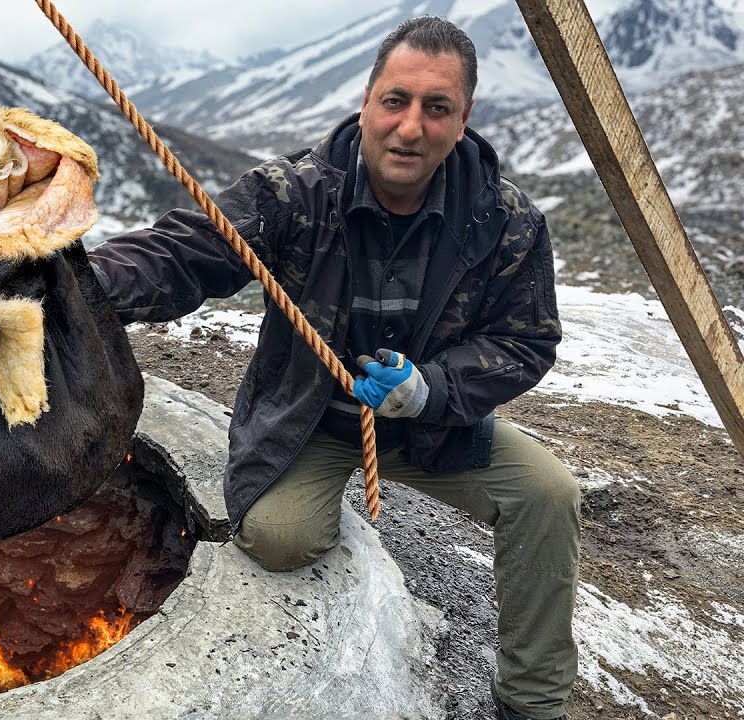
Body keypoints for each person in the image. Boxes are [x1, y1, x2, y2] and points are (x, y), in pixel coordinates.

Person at [87, 16, 580, 720]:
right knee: (279, 539)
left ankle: (532, 701)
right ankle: (324, 493)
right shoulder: (295, 193)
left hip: (433, 425)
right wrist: (77, 282)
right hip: (309, 420)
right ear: (367, 101)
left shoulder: (503, 219)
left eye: (436, 108)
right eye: (395, 101)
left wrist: (431, 389)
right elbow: (184, 253)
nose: (410, 127)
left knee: (548, 495)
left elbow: (525, 341)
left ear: (463, 119)